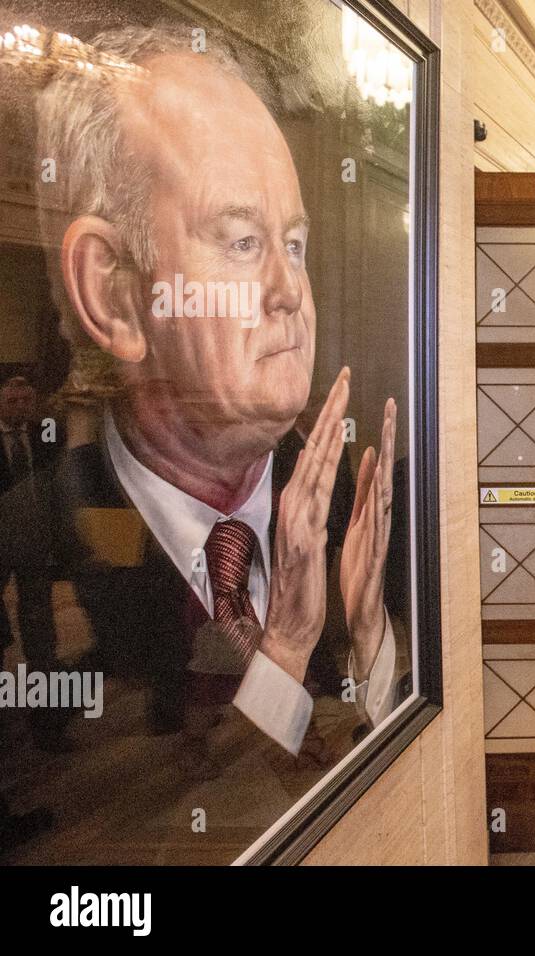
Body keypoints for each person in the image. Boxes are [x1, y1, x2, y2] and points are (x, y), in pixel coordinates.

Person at [34, 27, 400, 767]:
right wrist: (288, 649)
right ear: (114, 297)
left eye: (292, 245)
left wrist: (370, 632)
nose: (291, 292)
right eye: (240, 243)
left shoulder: (343, 490)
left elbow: (365, 737)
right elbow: (190, 799)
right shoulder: (52, 527)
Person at [0, 376, 60, 675]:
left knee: (37, 610)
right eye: (13, 401)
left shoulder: (44, 433)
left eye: (27, 401)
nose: (21, 407)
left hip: (34, 536)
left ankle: (43, 673)